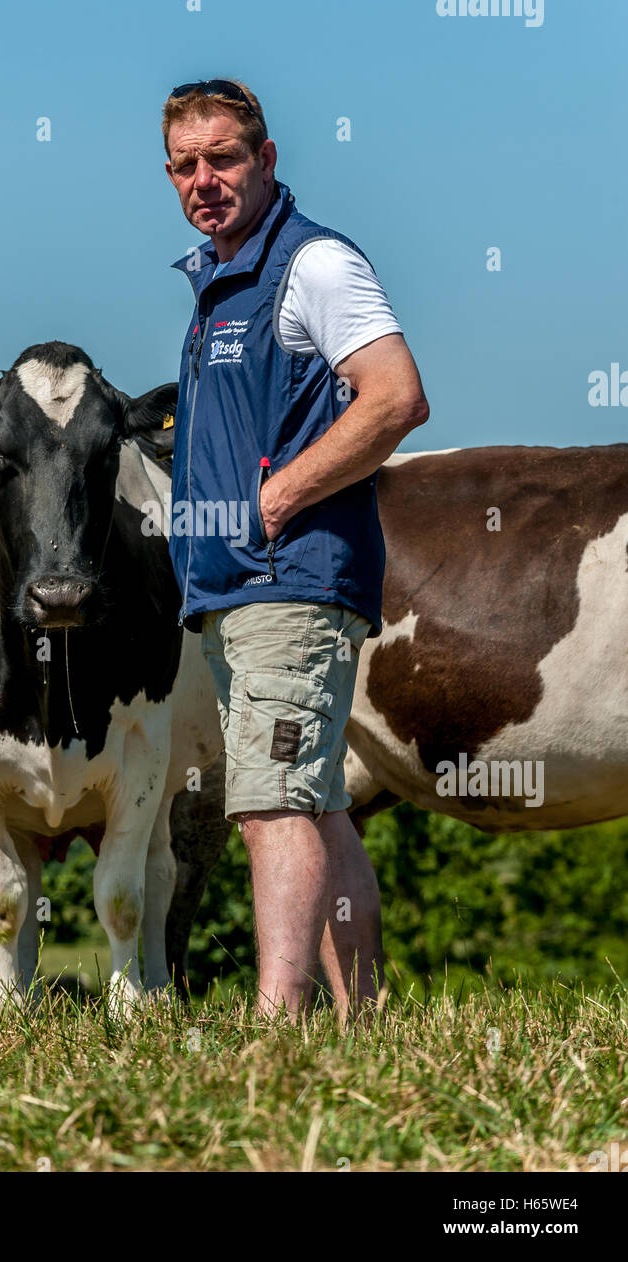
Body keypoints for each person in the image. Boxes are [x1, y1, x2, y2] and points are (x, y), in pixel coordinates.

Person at [162, 79, 429, 1023]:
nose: (206, 180)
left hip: (288, 580)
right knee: (310, 800)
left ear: (267, 159)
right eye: (186, 165)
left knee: (272, 804)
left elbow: (393, 396)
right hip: (235, 590)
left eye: (224, 158)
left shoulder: (311, 264)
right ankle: (359, 1019)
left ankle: (279, 1022)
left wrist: (281, 493)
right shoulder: (216, 284)